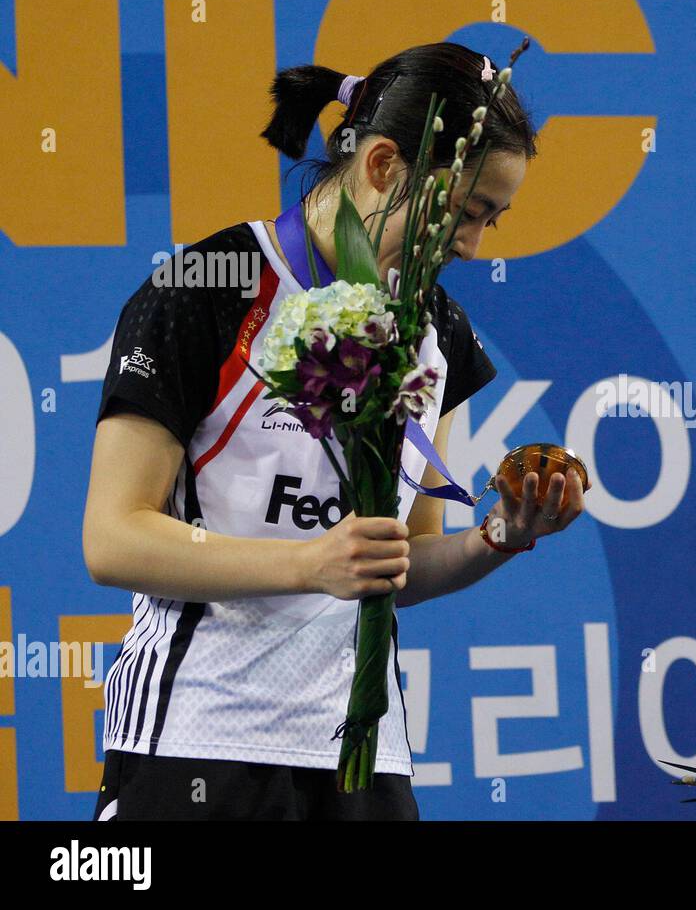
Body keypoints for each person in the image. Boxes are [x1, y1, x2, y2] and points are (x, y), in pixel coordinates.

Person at [82, 42, 585, 820]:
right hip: (198, 735)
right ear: (382, 164)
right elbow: (114, 541)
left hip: (361, 758)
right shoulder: (206, 288)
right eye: (466, 210)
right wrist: (308, 562)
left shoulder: (434, 326)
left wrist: (501, 535)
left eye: (495, 218)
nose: (475, 244)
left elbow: (405, 564)